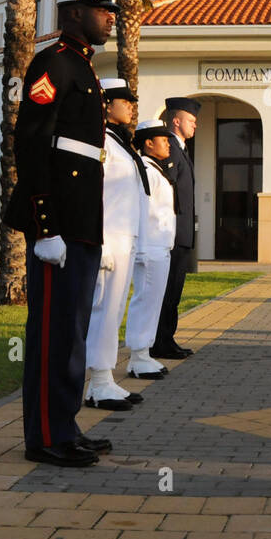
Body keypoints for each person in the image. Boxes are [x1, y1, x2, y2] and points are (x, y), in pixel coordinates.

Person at [4, 0, 118, 467]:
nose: (112, 18)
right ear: (73, 11)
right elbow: (31, 145)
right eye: (102, 9)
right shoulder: (53, 64)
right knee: (53, 331)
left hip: (80, 224)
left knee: (71, 330)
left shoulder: (83, 68)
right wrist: (44, 226)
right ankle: (46, 436)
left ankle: (65, 425)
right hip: (59, 226)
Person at [83, 78, 148, 411]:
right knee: (103, 311)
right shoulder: (100, 141)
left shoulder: (120, 142)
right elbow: (95, 193)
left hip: (126, 239)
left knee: (113, 310)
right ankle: (97, 383)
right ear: (107, 104)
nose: (131, 107)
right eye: (125, 101)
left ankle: (105, 378)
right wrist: (103, 242)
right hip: (110, 239)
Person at [126, 119, 178, 380]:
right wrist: (143, 249)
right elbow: (143, 209)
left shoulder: (155, 169)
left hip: (159, 245)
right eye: (163, 140)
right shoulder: (144, 169)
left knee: (153, 301)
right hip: (150, 246)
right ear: (148, 143)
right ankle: (137, 356)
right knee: (145, 300)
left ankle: (143, 353)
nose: (168, 144)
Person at [152, 96, 200, 360]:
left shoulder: (179, 148)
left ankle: (166, 339)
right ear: (177, 121)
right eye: (192, 121)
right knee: (167, 291)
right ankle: (160, 342)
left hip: (180, 233)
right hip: (171, 232)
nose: (195, 126)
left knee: (173, 292)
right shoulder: (169, 147)